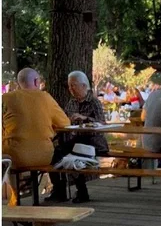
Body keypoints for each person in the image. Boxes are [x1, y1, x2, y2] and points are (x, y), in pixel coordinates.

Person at [2, 68, 70, 205]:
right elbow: (65, 123)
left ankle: (15, 198)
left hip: (15, 156)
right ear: (36, 81)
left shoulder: (6, 98)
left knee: (6, 159)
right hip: (44, 155)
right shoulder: (46, 98)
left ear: (19, 83)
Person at [47, 71, 108, 203]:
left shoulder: (94, 102)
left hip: (93, 141)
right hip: (75, 140)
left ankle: (82, 191)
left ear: (84, 85)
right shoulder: (72, 102)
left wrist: (85, 118)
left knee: (74, 154)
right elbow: (64, 119)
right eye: (69, 86)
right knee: (55, 153)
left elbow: (102, 123)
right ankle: (59, 190)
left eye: (73, 85)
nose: (71, 89)